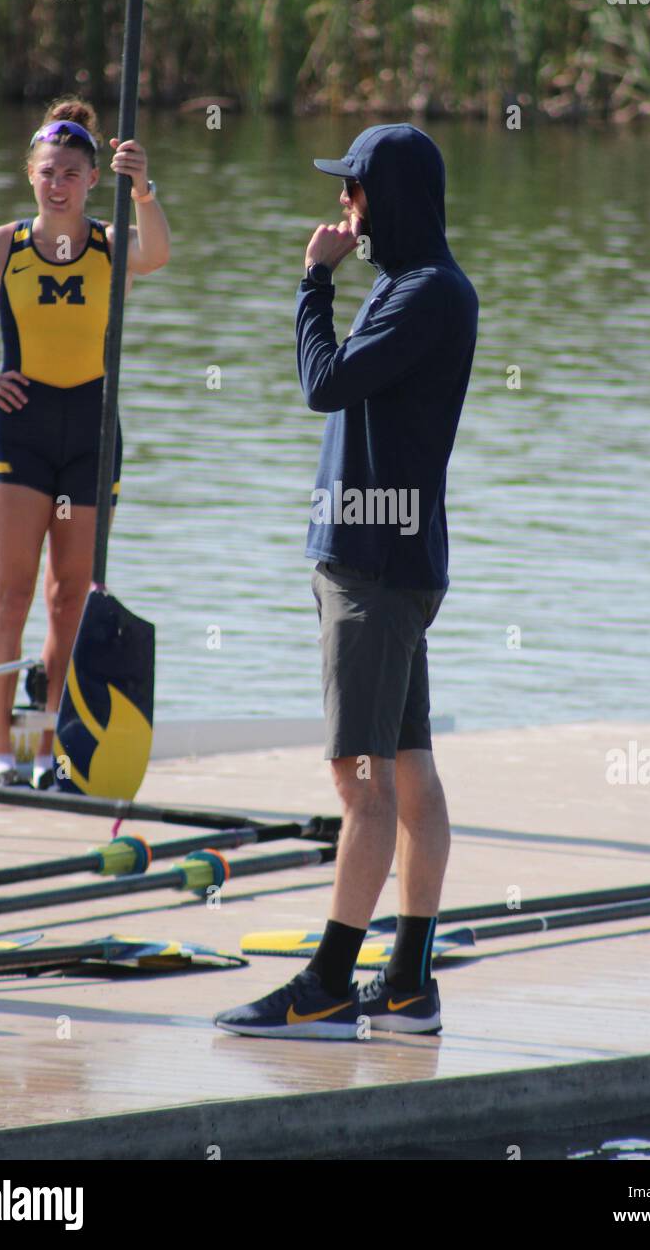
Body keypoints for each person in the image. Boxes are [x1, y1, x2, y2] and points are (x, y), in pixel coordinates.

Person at [215, 123, 477, 1038]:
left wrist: (312, 282)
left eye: (353, 190)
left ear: (387, 198)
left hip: (372, 568)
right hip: (388, 563)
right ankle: (407, 986)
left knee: (359, 779)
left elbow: (322, 385)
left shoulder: (426, 295)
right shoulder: (416, 288)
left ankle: (326, 987)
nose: (342, 204)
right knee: (407, 771)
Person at [0, 96, 170, 788]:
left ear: (92, 181)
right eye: (48, 171)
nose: (58, 183)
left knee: (72, 596)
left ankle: (50, 753)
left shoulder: (108, 244)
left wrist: (143, 190)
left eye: (72, 172)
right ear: (30, 175)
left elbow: (155, 254)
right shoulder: (2, 246)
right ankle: (0, 755)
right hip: (23, 431)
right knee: (11, 595)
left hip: (94, 434)